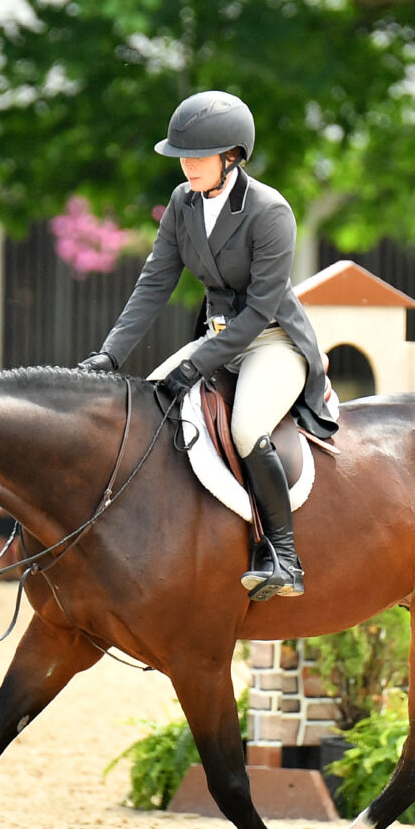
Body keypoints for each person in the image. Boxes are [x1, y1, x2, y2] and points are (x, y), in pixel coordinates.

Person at [79, 90, 338, 602]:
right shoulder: (182, 204)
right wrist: (111, 354)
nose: (187, 168)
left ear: (232, 156)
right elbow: (154, 282)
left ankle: (283, 556)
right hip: (219, 335)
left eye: (196, 158)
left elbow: (261, 310)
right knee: (147, 407)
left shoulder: (270, 211)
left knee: (245, 428)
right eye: (182, 158)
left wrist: (195, 364)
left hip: (272, 339)